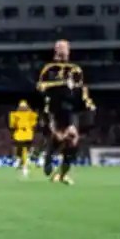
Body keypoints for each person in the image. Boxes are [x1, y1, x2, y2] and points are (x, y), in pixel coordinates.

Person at [37, 39, 94, 185]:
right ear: (56, 50)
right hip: (54, 108)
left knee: (73, 139)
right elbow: (41, 87)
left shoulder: (75, 69)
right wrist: (61, 84)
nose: (63, 50)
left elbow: (81, 88)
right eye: (60, 47)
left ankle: (62, 174)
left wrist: (87, 103)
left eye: (65, 47)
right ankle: (49, 156)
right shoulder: (49, 68)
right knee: (60, 137)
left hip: (71, 108)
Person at [8, 99, 38, 178]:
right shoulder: (17, 114)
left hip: (24, 135)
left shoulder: (17, 114)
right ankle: (22, 163)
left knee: (24, 150)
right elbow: (34, 123)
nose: (23, 108)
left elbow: (12, 125)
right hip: (22, 134)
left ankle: (24, 166)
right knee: (21, 151)